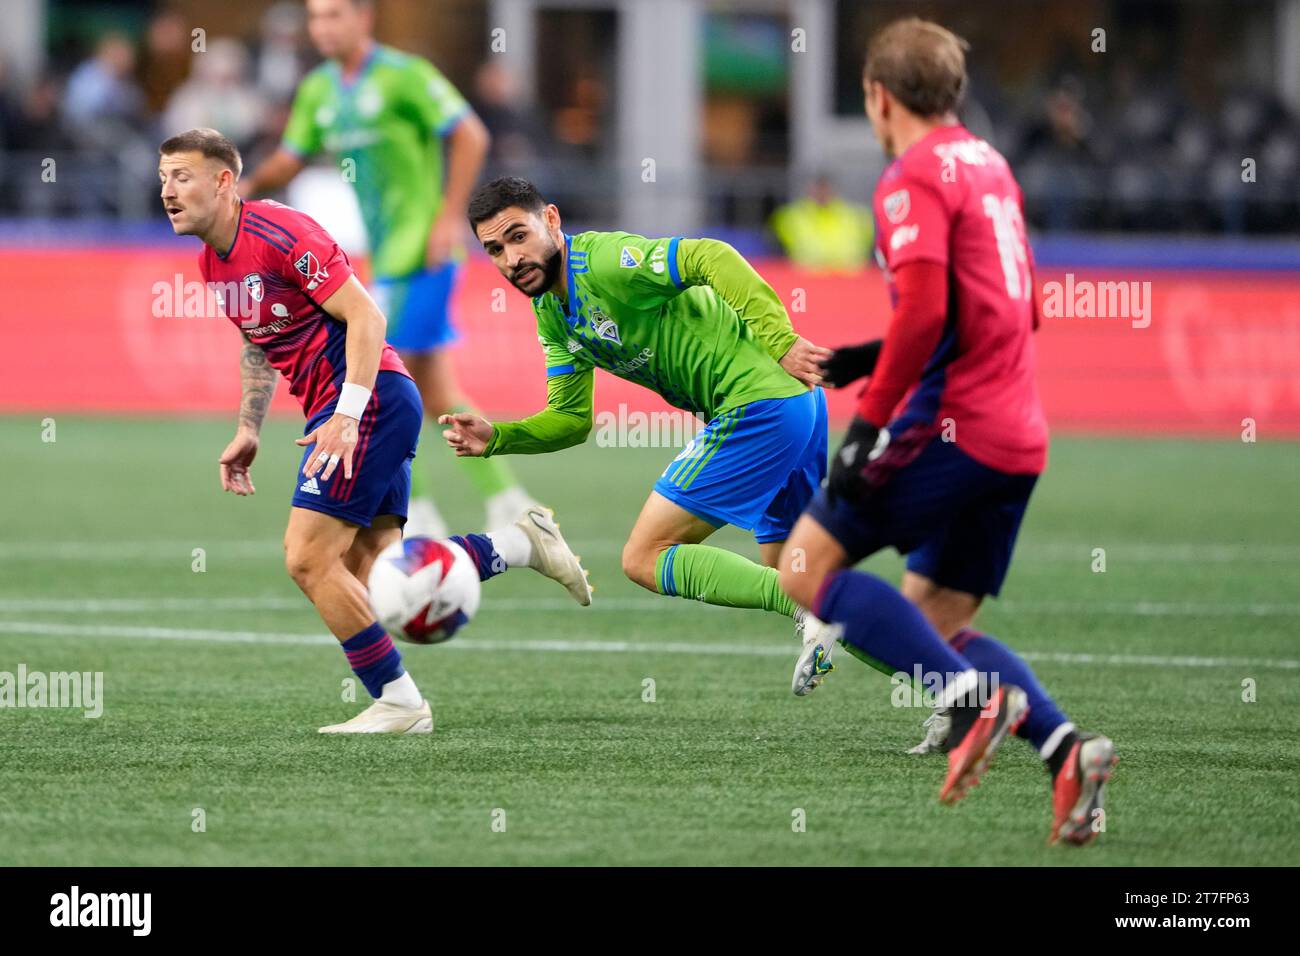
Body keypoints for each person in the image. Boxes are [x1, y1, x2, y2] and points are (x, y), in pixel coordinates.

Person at [777, 18, 1115, 844]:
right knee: (938, 624)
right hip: (1019, 434)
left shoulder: (908, 179)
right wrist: (870, 353)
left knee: (802, 566)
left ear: (877, 97)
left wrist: (870, 425)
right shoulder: (992, 165)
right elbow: (1018, 305)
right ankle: (1068, 748)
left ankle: (967, 704)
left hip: (951, 425)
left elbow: (928, 308)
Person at [160, 128, 590, 734]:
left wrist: (347, 413)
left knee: (308, 558)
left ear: (224, 181)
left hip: (369, 402)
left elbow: (366, 314)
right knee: (376, 567)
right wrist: (248, 426)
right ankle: (522, 544)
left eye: (181, 177)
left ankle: (401, 703)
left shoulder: (283, 233)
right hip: (347, 407)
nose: (167, 192)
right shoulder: (211, 260)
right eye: (163, 179)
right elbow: (258, 342)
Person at [440, 176, 828, 636]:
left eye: (518, 236)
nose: (512, 259)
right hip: (796, 404)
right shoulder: (551, 314)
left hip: (759, 405)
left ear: (551, 219)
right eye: (495, 249)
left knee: (644, 557)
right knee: (798, 569)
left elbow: (710, 256)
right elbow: (570, 419)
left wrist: (780, 340)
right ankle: (934, 679)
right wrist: (501, 437)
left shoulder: (602, 262)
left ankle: (813, 609)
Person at [238, 0, 533, 537]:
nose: (322, 27)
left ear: (363, 19)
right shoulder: (319, 91)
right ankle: (509, 504)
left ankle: (415, 516)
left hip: (424, 253)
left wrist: (448, 218)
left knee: (373, 380)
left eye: (334, 16)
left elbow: (471, 134)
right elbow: (292, 156)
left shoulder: (404, 76)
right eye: (315, 17)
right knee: (435, 390)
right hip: (387, 263)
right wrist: (242, 189)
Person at [769, 175, 874, 273]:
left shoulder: (856, 216)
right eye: (819, 190)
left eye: (825, 190)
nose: (822, 194)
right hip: (808, 278)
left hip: (852, 279)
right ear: (810, 191)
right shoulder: (792, 217)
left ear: (834, 191)